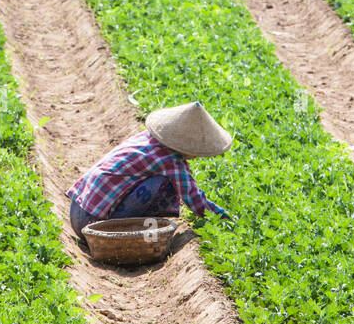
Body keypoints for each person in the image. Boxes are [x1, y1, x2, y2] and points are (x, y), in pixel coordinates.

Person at [68, 101, 232, 242]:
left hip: (77, 210)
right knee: (162, 184)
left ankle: (128, 225)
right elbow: (196, 201)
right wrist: (227, 220)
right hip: (94, 226)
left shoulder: (145, 138)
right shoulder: (172, 162)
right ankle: (121, 230)